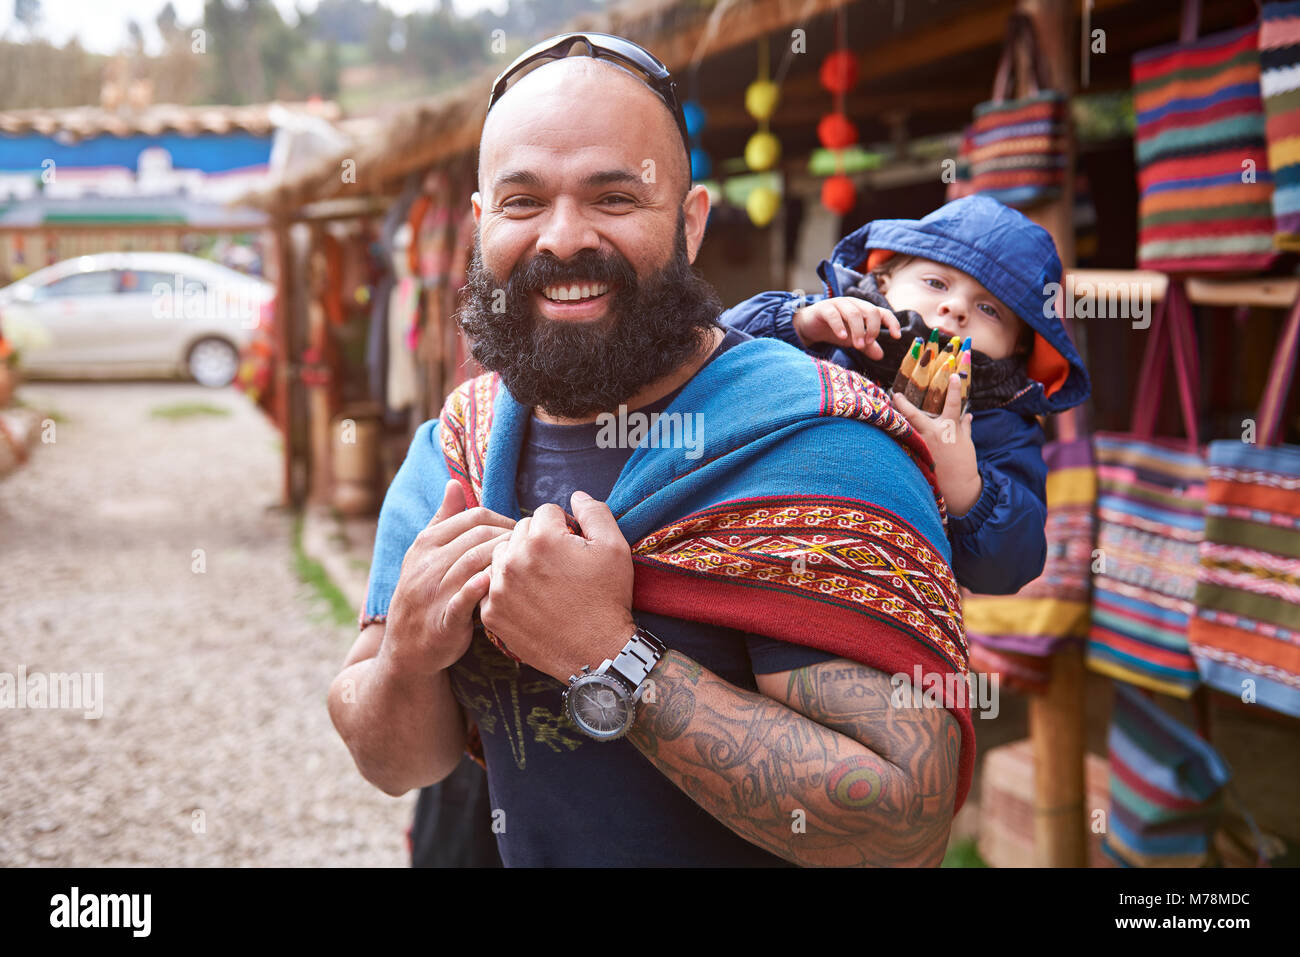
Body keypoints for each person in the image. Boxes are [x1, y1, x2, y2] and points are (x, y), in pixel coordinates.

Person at [329, 33, 972, 868]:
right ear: (481, 226)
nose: (563, 239)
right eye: (523, 202)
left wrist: (609, 654)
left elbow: (904, 822)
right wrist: (409, 656)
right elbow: (398, 761)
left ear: (690, 222)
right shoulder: (460, 444)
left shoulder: (819, 446)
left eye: (614, 198)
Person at [720, 195, 1091, 595]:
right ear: (883, 278)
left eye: (990, 309)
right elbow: (717, 357)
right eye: (936, 283)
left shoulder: (1002, 422)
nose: (955, 308)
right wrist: (801, 324)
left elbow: (1011, 567)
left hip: (879, 595)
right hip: (753, 541)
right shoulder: (836, 330)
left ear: (1019, 347)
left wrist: (965, 485)